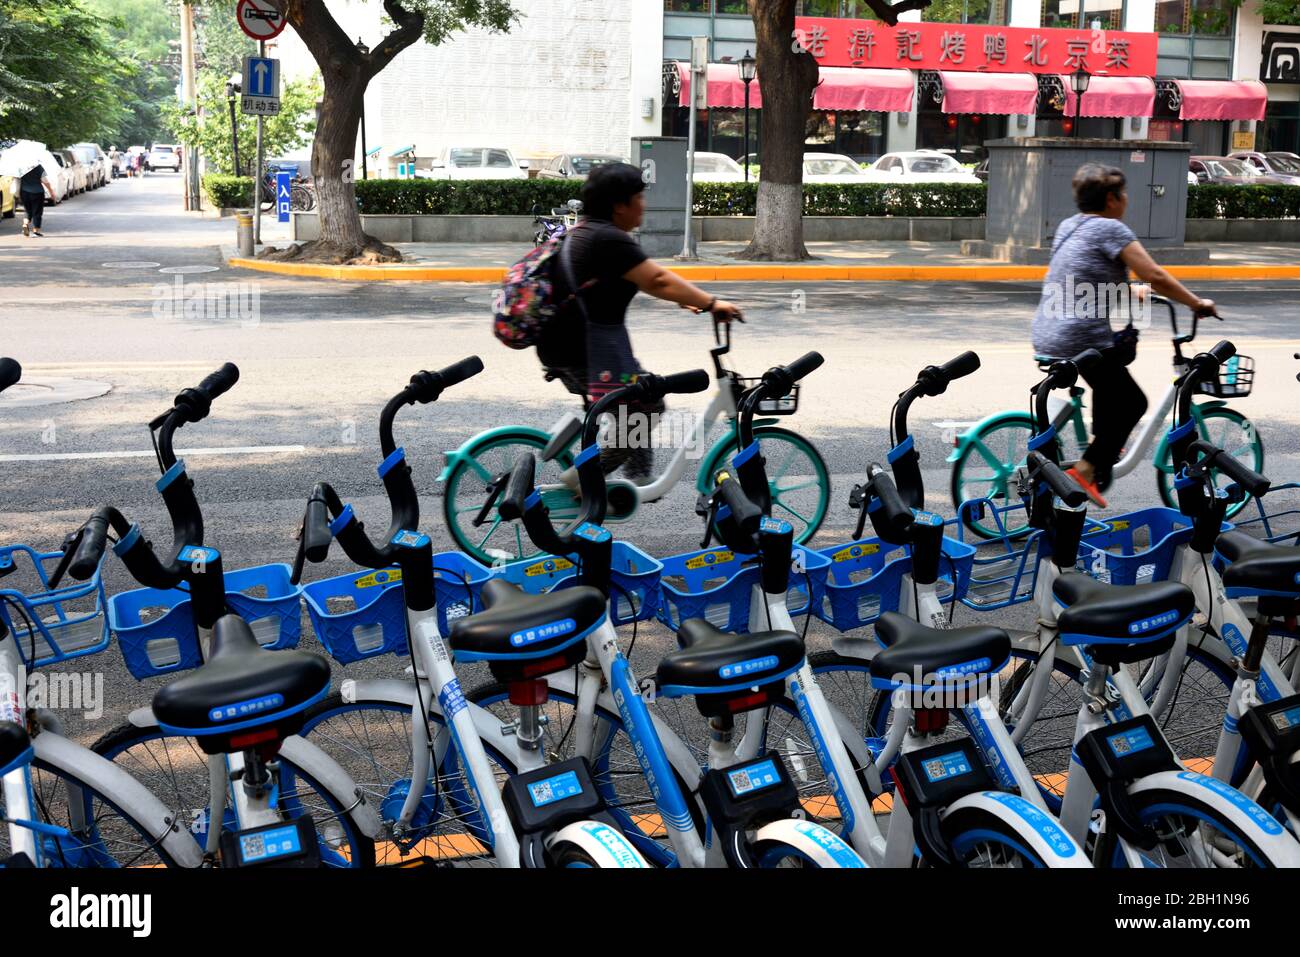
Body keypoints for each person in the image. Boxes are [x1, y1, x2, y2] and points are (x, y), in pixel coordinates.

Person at [540, 162, 743, 481]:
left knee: (639, 396)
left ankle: (638, 483)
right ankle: (580, 481)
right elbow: (658, 279)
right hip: (585, 351)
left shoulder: (586, 232)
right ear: (620, 205)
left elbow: (629, 279)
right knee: (647, 405)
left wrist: (685, 299)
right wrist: (712, 303)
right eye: (639, 196)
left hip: (569, 347)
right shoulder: (608, 238)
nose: (643, 204)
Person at [1031, 164, 1218, 508]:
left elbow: (1085, 271)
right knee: (1134, 402)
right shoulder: (1111, 228)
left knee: (1111, 369)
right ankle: (1085, 471)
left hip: (1047, 331)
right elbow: (1155, 273)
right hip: (1079, 337)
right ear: (1112, 199)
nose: (1127, 199)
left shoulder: (1069, 225)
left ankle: (1107, 444)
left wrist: (1132, 289)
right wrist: (1196, 303)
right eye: (1124, 193)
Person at [17, 162, 55, 238]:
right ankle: (36, 231)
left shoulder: (21, 167)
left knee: (28, 210)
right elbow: (45, 181)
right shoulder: (38, 167)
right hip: (37, 192)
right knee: (37, 212)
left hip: (24, 192)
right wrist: (51, 192)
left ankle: (25, 224)